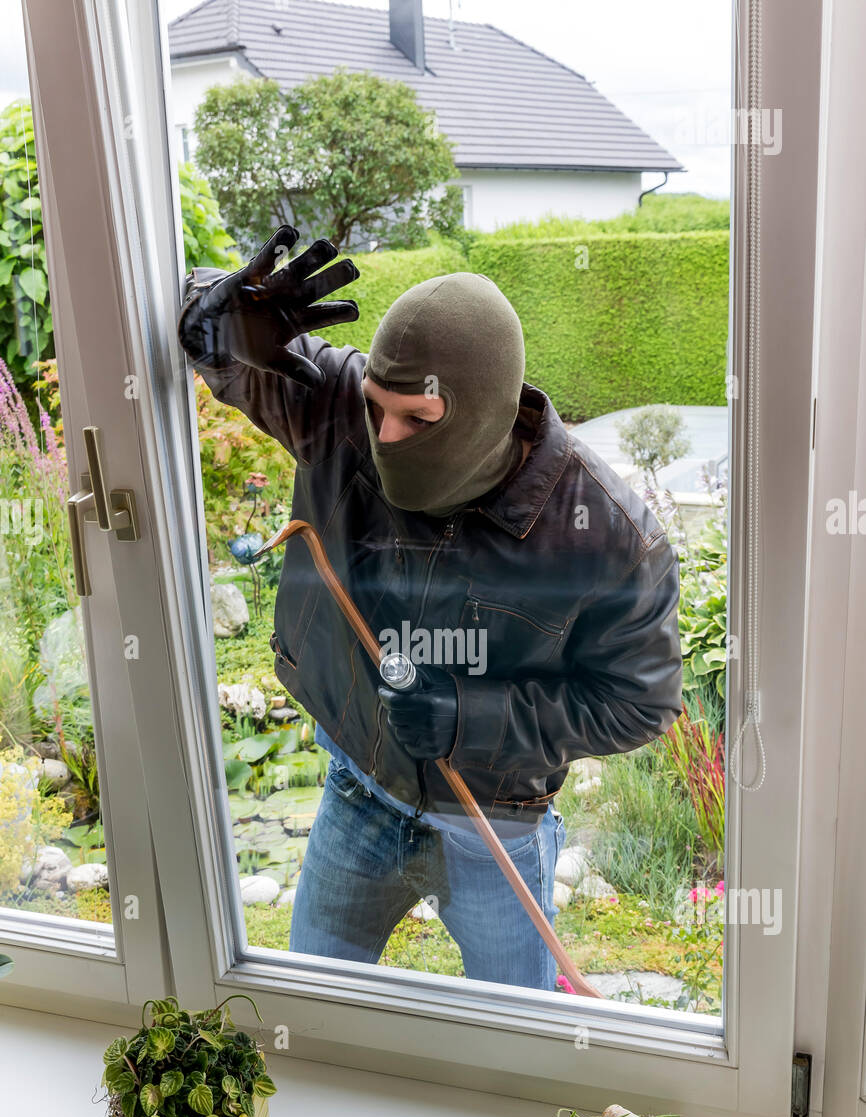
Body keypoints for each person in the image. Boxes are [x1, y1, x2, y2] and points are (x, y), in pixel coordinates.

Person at [177, 225, 683, 992]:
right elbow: (216, 346)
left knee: (517, 1046)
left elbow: (639, 705)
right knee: (314, 1011)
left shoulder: (611, 536)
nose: (382, 436)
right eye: (376, 408)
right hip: (361, 788)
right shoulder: (340, 406)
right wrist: (211, 322)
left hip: (499, 823)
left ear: (488, 412)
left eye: (416, 419)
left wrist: (468, 717)